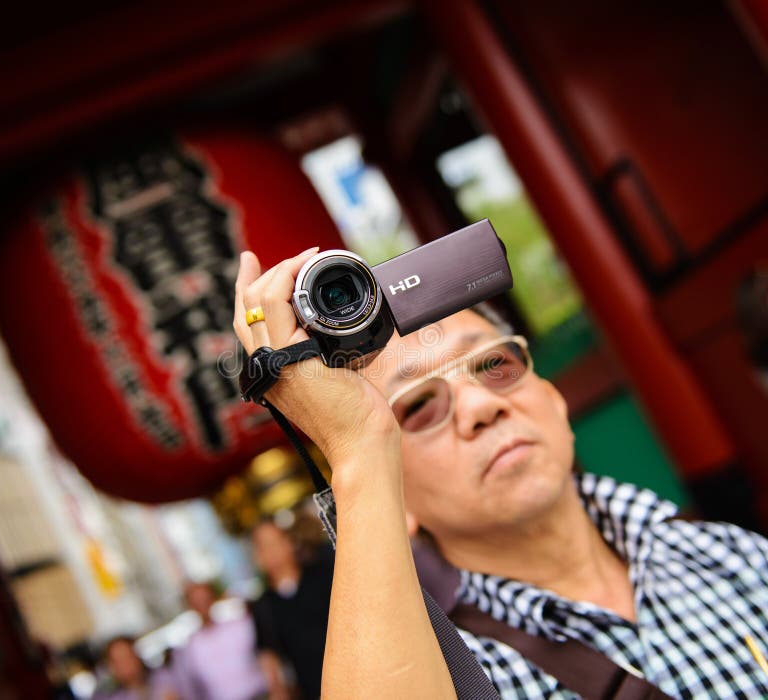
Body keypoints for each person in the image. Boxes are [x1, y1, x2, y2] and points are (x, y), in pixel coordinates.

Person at [233, 248, 768, 699]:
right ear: (399, 504)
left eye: (496, 366)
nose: (480, 407)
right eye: (419, 406)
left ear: (553, 399)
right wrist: (356, 448)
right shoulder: (451, 673)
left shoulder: (731, 555)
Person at [250, 518, 334, 699]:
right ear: (257, 557)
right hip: (314, 691)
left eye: (274, 542)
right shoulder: (263, 607)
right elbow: (269, 657)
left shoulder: (324, 575)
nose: (271, 551)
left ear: (288, 542)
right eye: (263, 546)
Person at [172, 581, 287, 700]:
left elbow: (266, 655)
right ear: (190, 605)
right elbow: (190, 688)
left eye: (204, 598)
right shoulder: (190, 649)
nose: (202, 604)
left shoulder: (239, 626)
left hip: (259, 694)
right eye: (196, 601)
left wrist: (278, 689)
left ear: (213, 598)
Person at [92, 636, 179, 700]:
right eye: (120, 661)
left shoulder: (163, 677)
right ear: (112, 667)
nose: (127, 664)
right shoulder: (110, 697)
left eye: (128, 656)